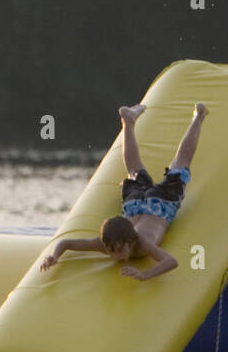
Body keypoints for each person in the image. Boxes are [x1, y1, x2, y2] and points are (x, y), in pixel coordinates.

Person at [39, 102, 207, 281]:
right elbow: (66, 243)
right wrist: (54, 255)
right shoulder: (107, 243)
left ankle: (198, 117)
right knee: (134, 170)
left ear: (131, 241)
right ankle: (128, 122)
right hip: (135, 205)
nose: (115, 256)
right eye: (112, 251)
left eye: (119, 250)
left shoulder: (142, 243)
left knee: (179, 164)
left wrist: (144, 275)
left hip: (160, 205)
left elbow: (171, 261)